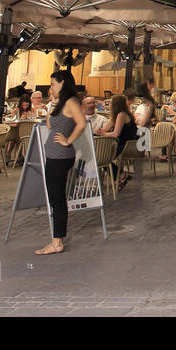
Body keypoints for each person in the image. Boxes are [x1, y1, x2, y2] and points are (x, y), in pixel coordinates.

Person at [37, 70, 87, 256]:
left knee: (57, 200)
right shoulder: (62, 103)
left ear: (62, 83)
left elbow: (81, 123)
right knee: (55, 198)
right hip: (55, 155)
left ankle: (57, 241)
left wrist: (68, 140)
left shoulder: (71, 102)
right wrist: (53, 105)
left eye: (53, 84)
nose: (51, 87)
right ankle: (57, 239)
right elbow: (50, 125)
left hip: (60, 156)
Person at [94, 93, 139, 190]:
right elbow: (105, 129)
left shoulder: (121, 115)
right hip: (123, 144)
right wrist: (97, 131)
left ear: (115, 105)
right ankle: (120, 176)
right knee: (101, 157)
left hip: (125, 145)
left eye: (111, 103)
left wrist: (102, 134)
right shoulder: (118, 115)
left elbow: (115, 134)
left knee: (102, 157)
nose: (109, 105)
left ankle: (121, 175)